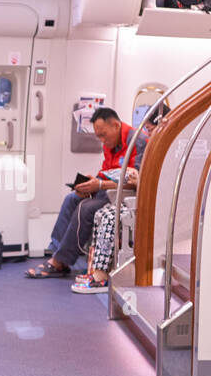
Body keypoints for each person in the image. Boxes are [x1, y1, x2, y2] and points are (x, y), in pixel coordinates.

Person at [26, 107, 144, 278]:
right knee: (71, 199)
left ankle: (61, 262)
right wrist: (91, 182)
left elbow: (135, 181)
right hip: (109, 189)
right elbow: (107, 170)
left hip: (124, 195)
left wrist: (100, 185)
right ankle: (56, 252)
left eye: (104, 135)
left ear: (116, 126)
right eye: (98, 137)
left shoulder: (138, 142)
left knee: (85, 208)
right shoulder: (110, 144)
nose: (102, 141)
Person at [72, 103, 168, 293]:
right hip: (142, 197)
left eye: (150, 129)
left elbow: (162, 184)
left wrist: (138, 181)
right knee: (100, 214)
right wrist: (136, 178)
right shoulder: (154, 146)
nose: (147, 134)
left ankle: (100, 276)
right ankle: (99, 270)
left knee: (110, 217)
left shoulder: (165, 148)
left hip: (154, 203)